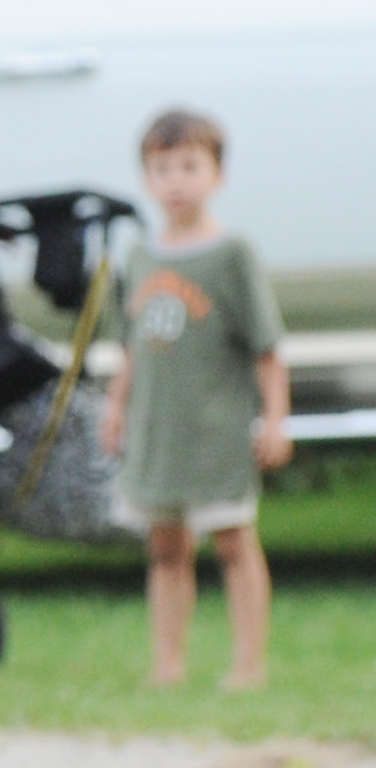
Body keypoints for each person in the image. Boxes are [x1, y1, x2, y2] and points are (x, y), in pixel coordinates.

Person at [101, 109, 292, 689]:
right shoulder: (138, 255)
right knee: (165, 549)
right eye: (161, 168)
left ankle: (248, 666)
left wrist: (276, 420)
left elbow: (268, 348)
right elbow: (132, 344)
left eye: (189, 166)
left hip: (217, 432)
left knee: (234, 543)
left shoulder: (233, 255)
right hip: (158, 433)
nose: (176, 180)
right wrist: (116, 406)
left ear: (218, 175)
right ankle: (168, 666)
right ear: (146, 180)